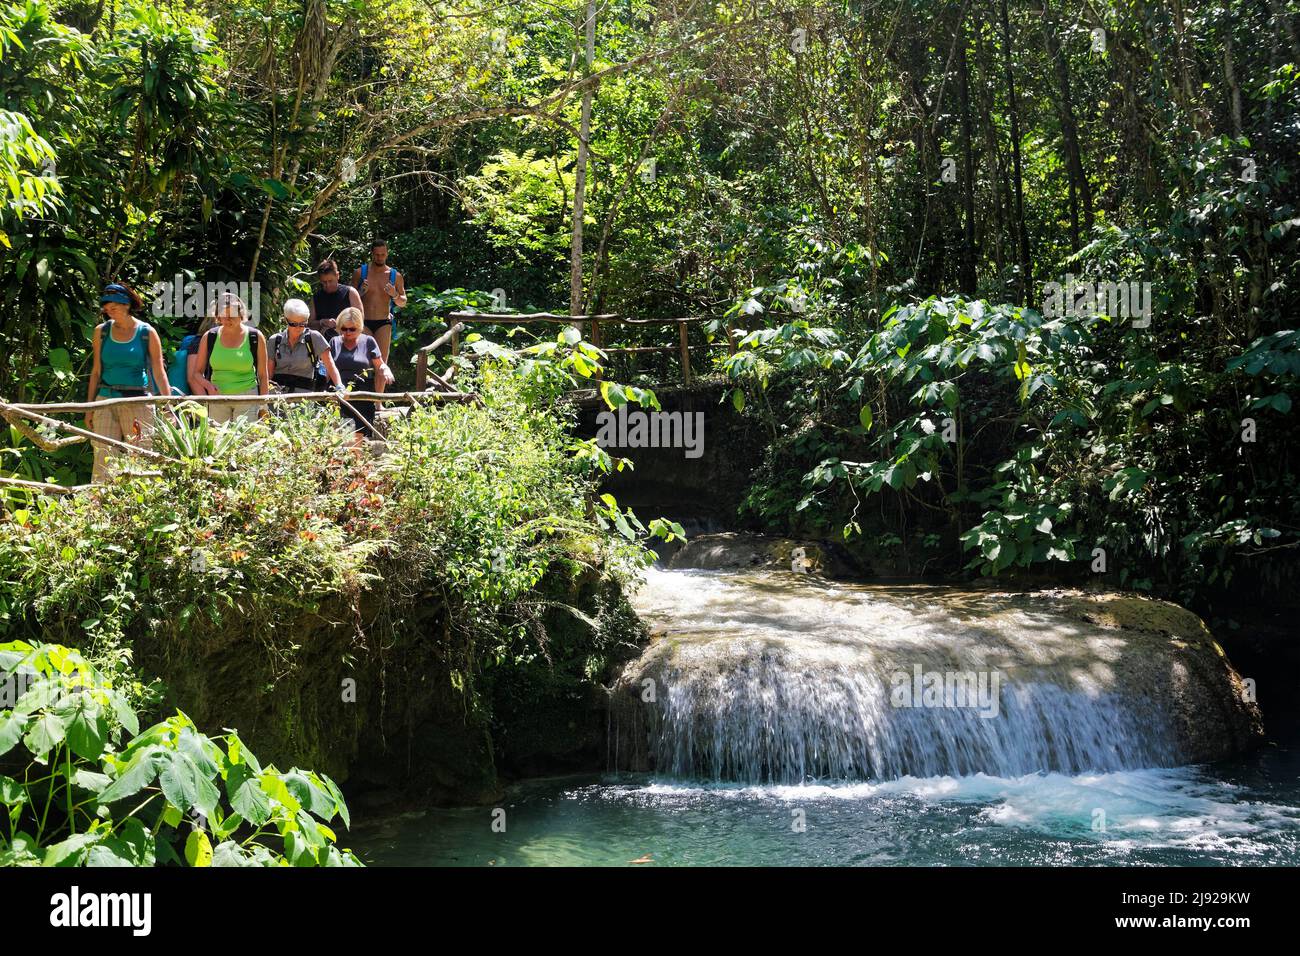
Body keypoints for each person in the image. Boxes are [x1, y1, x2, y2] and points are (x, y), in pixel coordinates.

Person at [85, 282, 171, 482]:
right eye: (106, 309)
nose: (109, 312)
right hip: (105, 400)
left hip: (138, 402)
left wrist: (168, 407)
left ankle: (137, 509)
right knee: (102, 460)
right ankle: (97, 508)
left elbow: (159, 373)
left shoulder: (146, 332)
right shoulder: (102, 331)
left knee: (140, 458)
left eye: (113, 307)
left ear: (126, 305)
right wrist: (89, 408)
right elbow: (96, 371)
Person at [188, 292, 269, 423]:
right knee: (218, 441)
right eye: (223, 316)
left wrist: (263, 405)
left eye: (232, 315)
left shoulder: (255, 336)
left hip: (247, 397)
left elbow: (263, 375)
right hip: (217, 397)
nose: (227, 320)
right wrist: (208, 386)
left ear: (241, 314)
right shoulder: (209, 336)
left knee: (246, 441)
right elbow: (196, 373)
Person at [329, 308, 388, 439]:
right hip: (340, 392)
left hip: (362, 393)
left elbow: (380, 364)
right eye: (344, 329)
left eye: (352, 329)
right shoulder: (334, 342)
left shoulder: (368, 341)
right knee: (342, 437)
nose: (347, 332)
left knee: (358, 438)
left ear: (360, 327)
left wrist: (386, 370)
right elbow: (328, 367)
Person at [268, 299, 343, 394]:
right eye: (294, 324)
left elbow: (330, 365)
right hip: (277, 398)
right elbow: (268, 374)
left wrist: (339, 386)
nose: (298, 328)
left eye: (302, 324)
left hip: (304, 399)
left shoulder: (314, 338)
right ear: (286, 320)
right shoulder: (274, 340)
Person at [351, 240, 407, 363]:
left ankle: (380, 382)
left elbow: (403, 302)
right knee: (363, 362)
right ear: (372, 254)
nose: (380, 257)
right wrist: (360, 292)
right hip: (363, 321)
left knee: (381, 364)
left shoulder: (395, 276)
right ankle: (362, 383)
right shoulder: (360, 273)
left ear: (387, 254)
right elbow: (348, 301)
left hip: (384, 323)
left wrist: (395, 295)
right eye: (377, 254)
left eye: (382, 254)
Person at [309, 259, 362, 341]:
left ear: (337, 276)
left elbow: (360, 320)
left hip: (347, 342)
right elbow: (309, 324)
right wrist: (322, 322)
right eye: (324, 282)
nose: (327, 285)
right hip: (322, 344)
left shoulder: (350, 293)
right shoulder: (316, 297)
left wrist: (338, 324)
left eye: (330, 281)